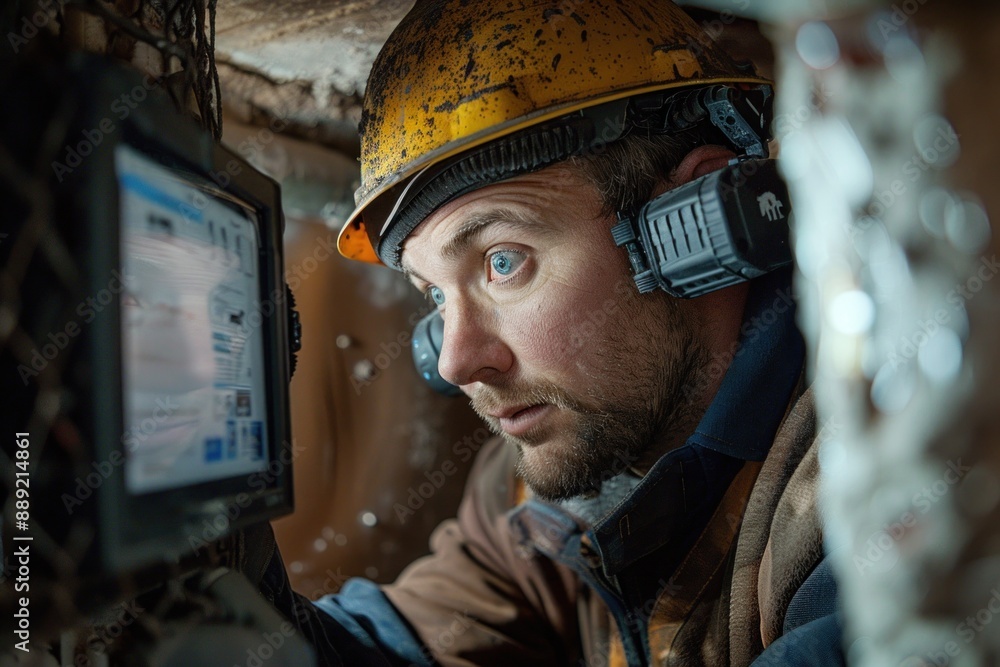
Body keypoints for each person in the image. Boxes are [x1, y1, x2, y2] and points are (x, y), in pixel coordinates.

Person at [243, 1, 845, 664]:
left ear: (697, 227)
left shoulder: (880, 479)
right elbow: (385, 649)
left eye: (503, 262)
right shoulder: (541, 479)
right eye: (435, 297)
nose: (452, 360)